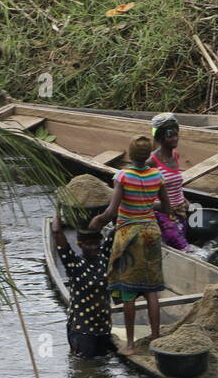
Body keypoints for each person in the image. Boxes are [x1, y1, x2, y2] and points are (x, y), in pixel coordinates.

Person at [86, 136, 174, 348]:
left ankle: (131, 345)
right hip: (151, 233)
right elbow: (167, 208)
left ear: (130, 155)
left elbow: (112, 211)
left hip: (129, 235)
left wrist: (97, 221)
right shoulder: (157, 175)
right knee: (152, 289)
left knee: (128, 290)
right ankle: (155, 338)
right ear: (148, 155)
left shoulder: (123, 176)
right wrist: (146, 203)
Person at [50, 215, 115, 359]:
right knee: (83, 367)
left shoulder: (104, 256)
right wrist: (59, 209)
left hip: (103, 326)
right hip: (82, 330)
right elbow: (56, 232)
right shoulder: (73, 264)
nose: (94, 247)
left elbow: (117, 229)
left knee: (103, 367)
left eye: (96, 243)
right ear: (80, 244)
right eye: (88, 244)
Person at [148, 113, 194, 251]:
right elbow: (141, 193)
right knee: (184, 249)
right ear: (160, 138)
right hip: (163, 214)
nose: (175, 138)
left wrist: (187, 203)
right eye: (170, 135)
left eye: (176, 134)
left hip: (180, 211)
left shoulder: (175, 155)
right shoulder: (151, 162)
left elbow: (176, 187)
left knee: (177, 246)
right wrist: (157, 206)